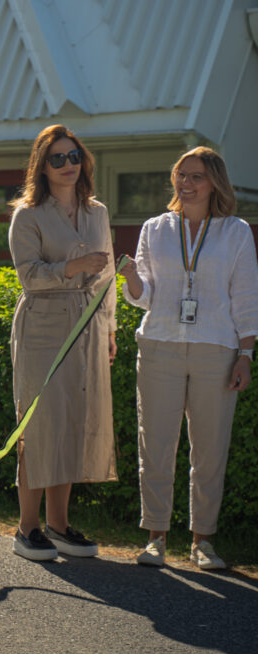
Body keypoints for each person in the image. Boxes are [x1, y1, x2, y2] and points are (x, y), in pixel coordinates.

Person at [119, 147, 258, 570]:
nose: (186, 183)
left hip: (216, 349)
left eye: (196, 176)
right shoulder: (154, 228)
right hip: (159, 344)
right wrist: (130, 279)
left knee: (210, 449)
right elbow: (144, 298)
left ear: (214, 181)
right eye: (181, 175)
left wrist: (246, 354)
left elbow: (246, 296)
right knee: (156, 443)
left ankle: (203, 543)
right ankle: (156, 537)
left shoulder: (235, 232)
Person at [7, 124, 117, 562]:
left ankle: (59, 525)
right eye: (58, 158)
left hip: (86, 326)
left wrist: (108, 330)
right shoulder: (28, 215)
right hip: (42, 327)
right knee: (39, 425)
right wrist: (73, 267)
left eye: (74, 157)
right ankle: (26, 528)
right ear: (42, 167)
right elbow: (28, 276)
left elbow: (106, 277)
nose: (68, 165)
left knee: (72, 420)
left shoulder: (98, 213)